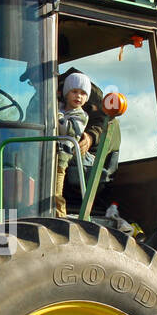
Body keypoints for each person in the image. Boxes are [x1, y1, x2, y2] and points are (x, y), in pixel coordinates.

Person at [54, 72, 94, 217]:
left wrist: (55, 114)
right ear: (66, 93)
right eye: (74, 91)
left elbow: (68, 129)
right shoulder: (59, 107)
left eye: (83, 93)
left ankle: (61, 218)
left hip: (61, 159)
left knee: (55, 193)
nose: (78, 96)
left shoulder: (81, 115)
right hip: (46, 154)